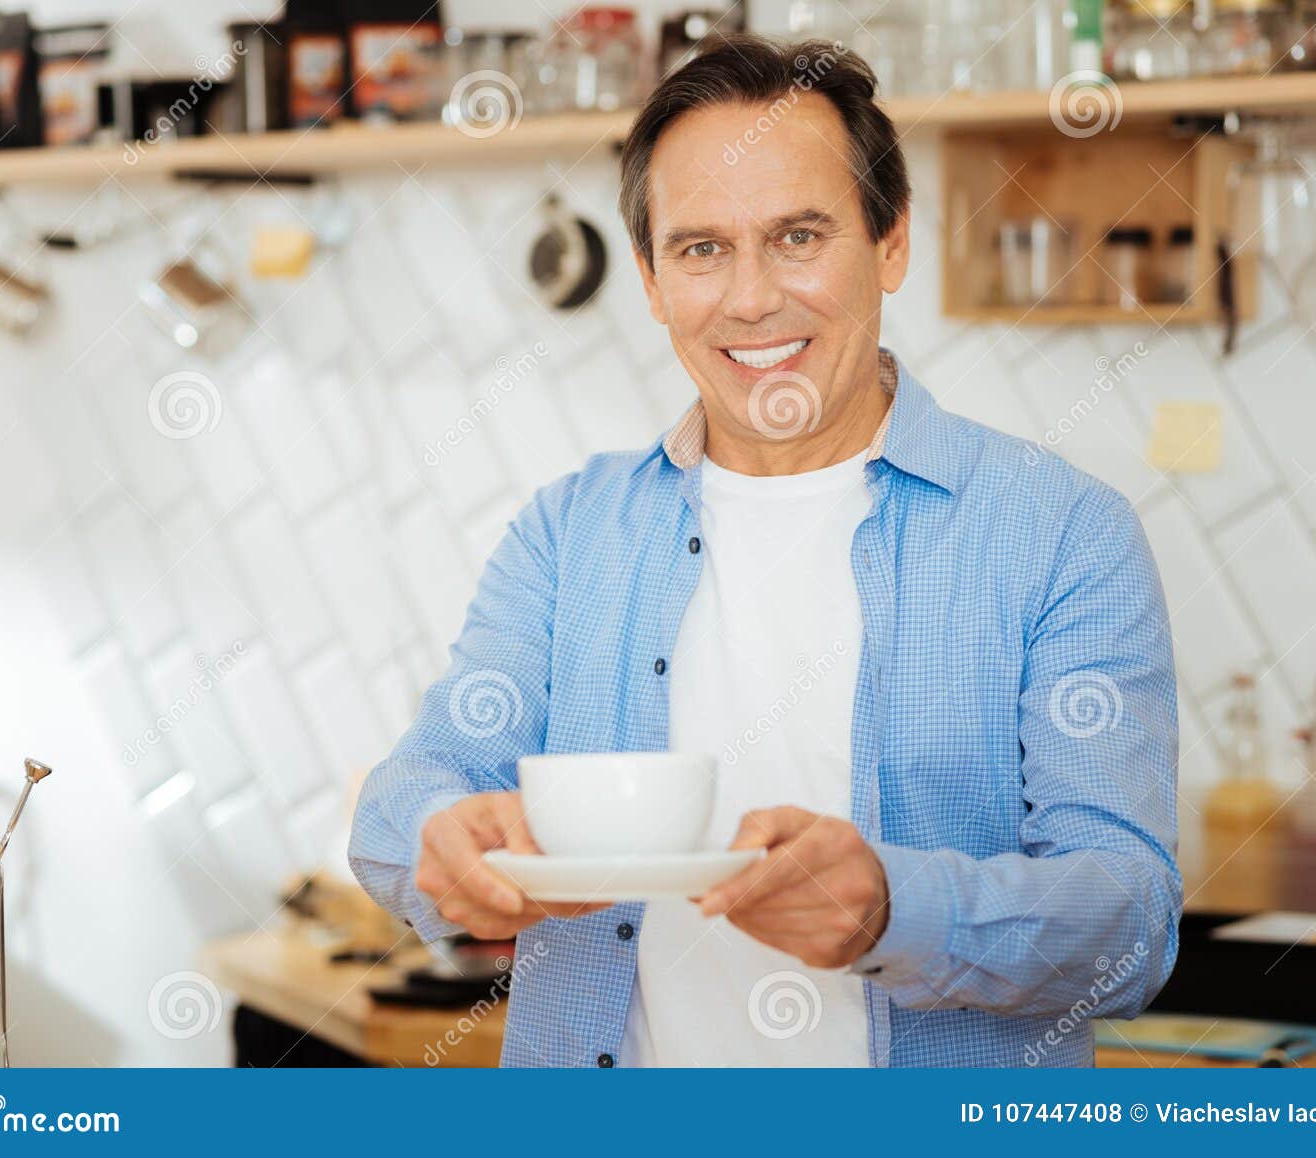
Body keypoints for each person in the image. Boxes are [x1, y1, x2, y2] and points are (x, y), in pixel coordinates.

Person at [350, 34, 1180, 1068]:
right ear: (652, 280)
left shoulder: (1059, 535)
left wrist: (895, 910)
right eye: (701, 249)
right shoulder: (569, 535)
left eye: (797, 236)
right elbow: (410, 793)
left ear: (890, 243)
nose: (750, 298)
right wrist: (439, 833)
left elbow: (1131, 923)